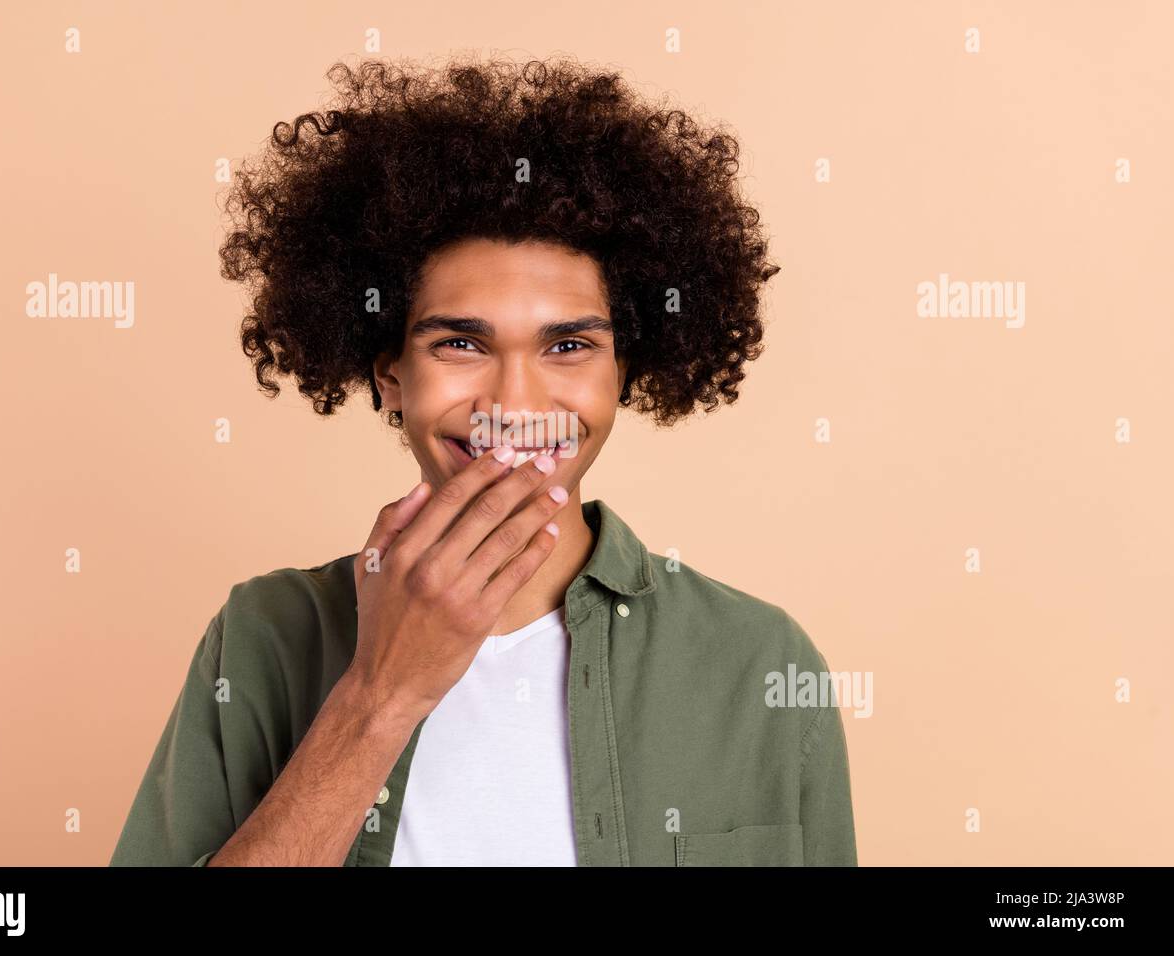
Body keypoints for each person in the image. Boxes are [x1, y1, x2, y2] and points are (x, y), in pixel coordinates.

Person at [109, 54, 857, 867]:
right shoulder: (264, 638)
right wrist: (381, 695)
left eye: (568, 345)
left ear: (625, 373)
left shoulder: (762, 662)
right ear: (389, 374)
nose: (517, 401)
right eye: (461, 343)